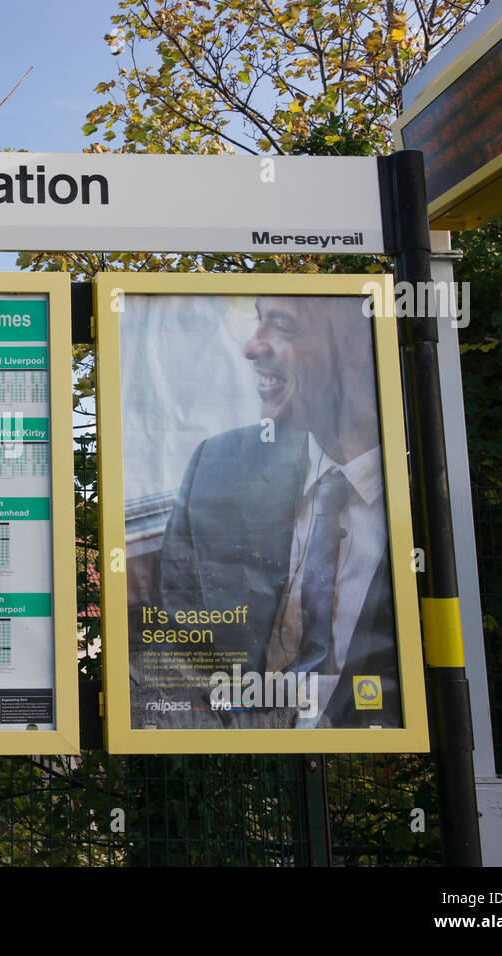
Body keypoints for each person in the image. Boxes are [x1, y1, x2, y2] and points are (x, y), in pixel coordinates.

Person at [130, 294, 400, 730]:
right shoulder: (217, 466)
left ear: (355, 351)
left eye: (283, 327)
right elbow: (179, 629)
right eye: (259, 322)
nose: (251, 348)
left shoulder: (420, 481)